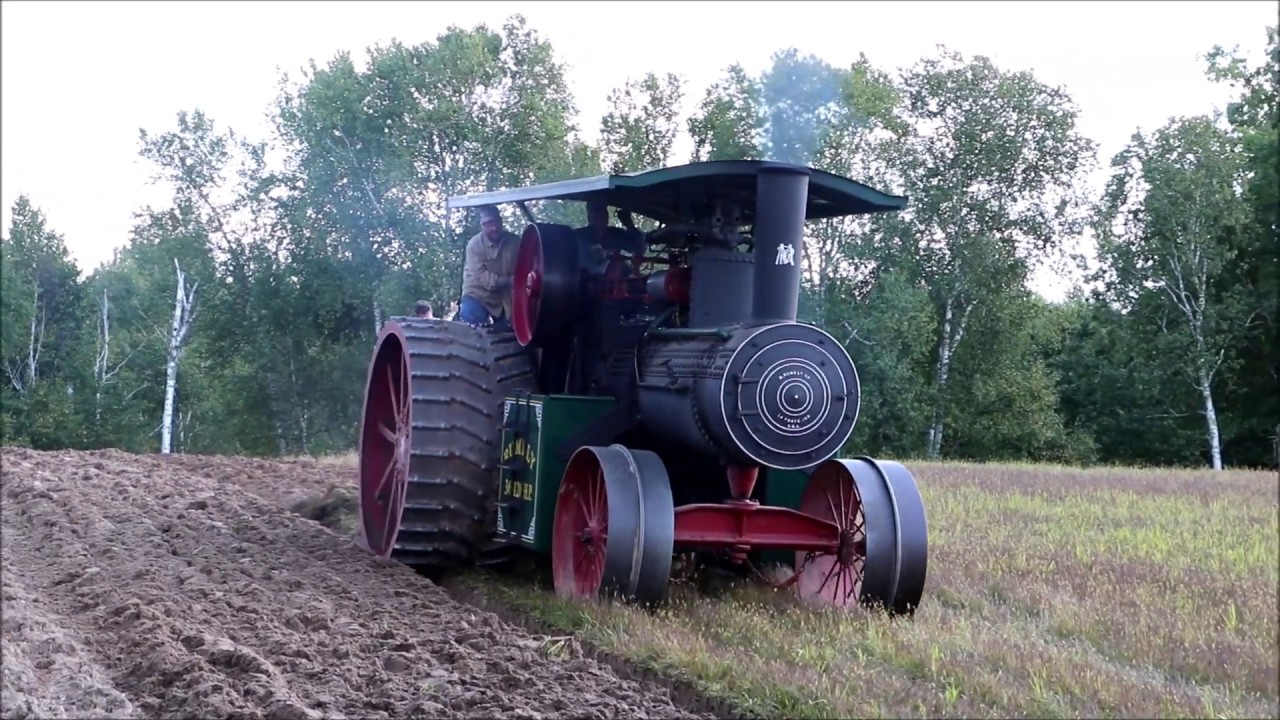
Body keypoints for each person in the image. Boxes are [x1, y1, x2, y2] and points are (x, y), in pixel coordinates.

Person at [459, 205, 520, 326]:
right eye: (488, 224)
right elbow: (481, 277)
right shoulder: (474, 245)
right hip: (478, 295)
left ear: (501, 222)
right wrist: (511, 281)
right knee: (472, 321)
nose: (494, 228)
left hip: (504, 298)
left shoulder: (515, 241)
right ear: (482, 226)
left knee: (509, 333)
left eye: (496, 222)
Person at [574, 199, 646, 274]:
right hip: (585, 281)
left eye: (603, 211)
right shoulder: (578, 236)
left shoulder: (615, 234)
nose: (600, 216)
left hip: (614, 281)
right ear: (589, 217)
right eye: (596, 210)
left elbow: (640, 247)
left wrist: (628, 223)